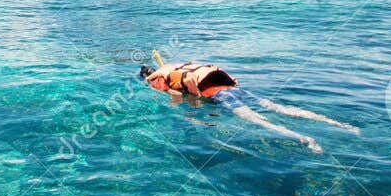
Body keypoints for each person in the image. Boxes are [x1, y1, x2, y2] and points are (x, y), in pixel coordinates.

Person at [139, 60, 358, 155]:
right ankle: (340, 124)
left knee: (257, 120)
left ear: (149, 77)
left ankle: (302, 138)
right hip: (233, 88)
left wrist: (190, 110)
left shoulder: (157, 81)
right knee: (278, 108)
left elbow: (185, 98)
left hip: (220, 96)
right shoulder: (173, 66)